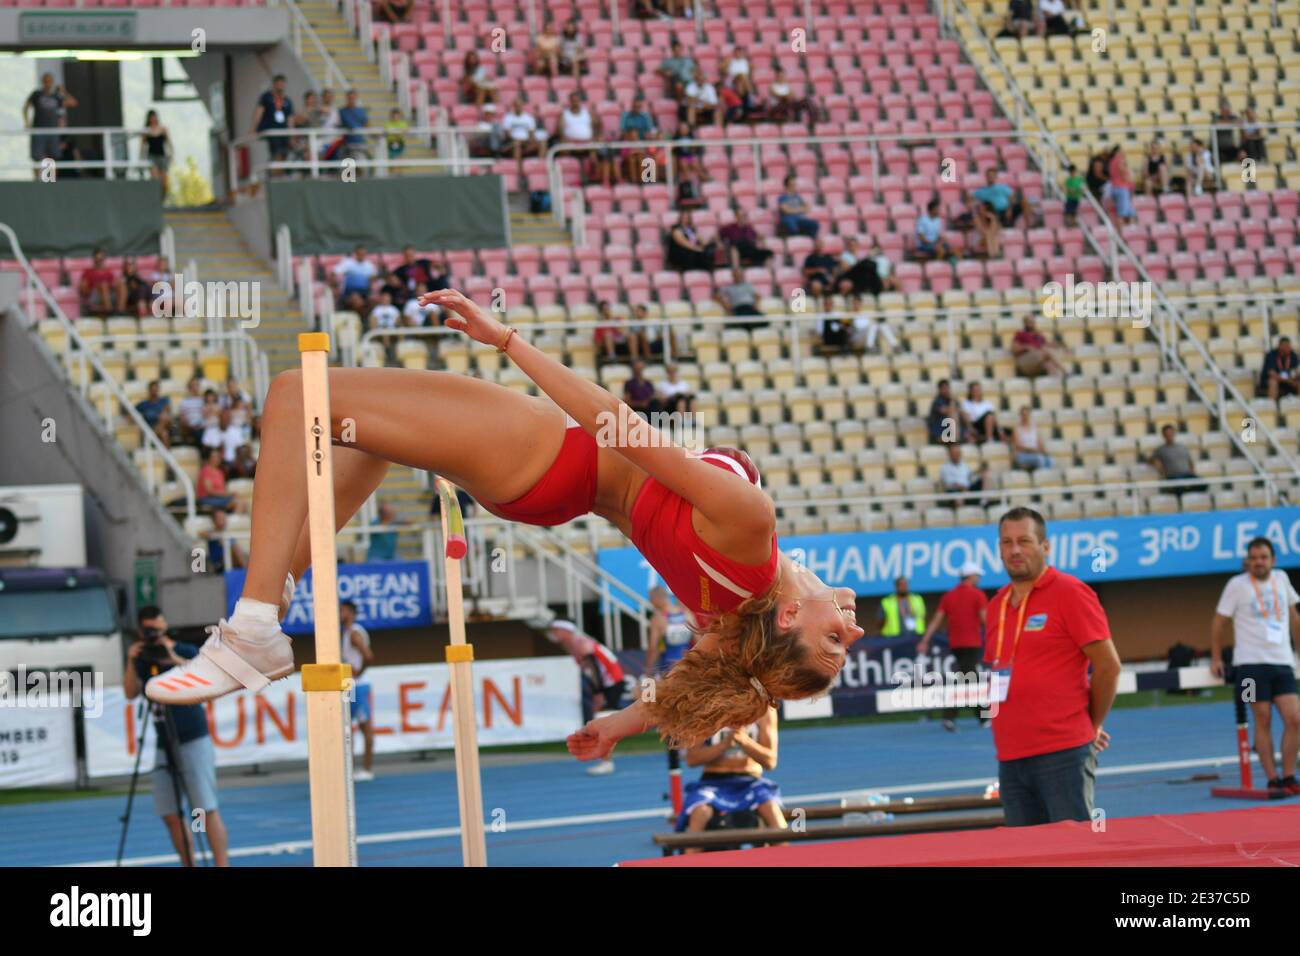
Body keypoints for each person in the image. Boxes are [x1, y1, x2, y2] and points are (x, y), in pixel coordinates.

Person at [146, 288, 867, 769]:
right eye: (847, 643)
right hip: (546, 482)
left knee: (294, 394)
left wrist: (508, 340)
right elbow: (685, 689)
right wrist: (611, 730)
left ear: (793, 616)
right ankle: (271, 603)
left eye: (832, 640)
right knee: (363, 436)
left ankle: (254, 628)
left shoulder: (750, 532)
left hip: (552, 453)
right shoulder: (732, 623)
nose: (854, 630)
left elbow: (617, 423)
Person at [985, 507, 1121, 827]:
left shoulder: (1071, 593)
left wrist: (1090, 724)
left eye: (1024, 541)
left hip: (1063, 754)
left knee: (1072, 853)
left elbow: (1109, 668)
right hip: (1011, 756)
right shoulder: (996, 606)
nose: (1015, 550)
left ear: (1045, 547)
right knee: (1027, 855)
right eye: (1006, 542)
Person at [124, 605, 230, 866]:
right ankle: (189, 863)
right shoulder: (143, 657)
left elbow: (205, 675)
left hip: (193, 737)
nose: (155, 636)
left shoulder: (184, 650)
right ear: (141, 630)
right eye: (150, 630)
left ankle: (221, 865)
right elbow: (130, 693)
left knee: (205, 808)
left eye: (159, 630)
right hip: (165, 743)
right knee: (169, 812)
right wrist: (131, 659)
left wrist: (173, 658)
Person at [1211, 537, 1300, 795]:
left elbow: (1294, 616)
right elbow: (1218, 622)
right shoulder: (1236, 585)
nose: (1259, 562)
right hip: (1249, 667)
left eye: (1263, 557)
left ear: (1272, 560)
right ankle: (1272, 779)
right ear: (1248, 561)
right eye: (1254, 558)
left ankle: (1289, 775)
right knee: (1262, 718)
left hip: (1282, 663)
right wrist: (1217, 658)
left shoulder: (1282, 579)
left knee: (1295, 719)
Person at [676, 707, 784, 849]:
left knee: (772, 810)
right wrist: (724, 745)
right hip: (713, 781)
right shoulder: (705, 706)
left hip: (749, 780)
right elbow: (692, 758)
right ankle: (689, 860)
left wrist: (745, 741)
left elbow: (770, 761)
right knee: (699, 813)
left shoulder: (764, 709)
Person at [917, 563, 989, 731]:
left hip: (956, 645)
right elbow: (985, 620)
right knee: (968, 679)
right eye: (977, 575)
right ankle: (954, 716)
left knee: (969, 678)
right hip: (972, 643)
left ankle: (983, 717)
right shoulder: (978, 594)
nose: (979, 579)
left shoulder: (949, 596)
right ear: (971, 576)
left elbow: (936, 619)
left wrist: (925, 640)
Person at [549, 619, 626, 775]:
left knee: (602, 722)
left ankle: (606, 762)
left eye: (556, 629)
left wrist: (598, 693)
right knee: (602, 722)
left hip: (611, 683)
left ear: (566, 630)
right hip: (607, 684)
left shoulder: (580, 643)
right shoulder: (574, 645)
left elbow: (594, 668)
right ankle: (605, 760)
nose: (553, 633)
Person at [339, 600, 377, 781]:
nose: (339, 613)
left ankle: (367, 769)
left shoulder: (354, 633)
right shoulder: (346, 633)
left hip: (357, 684)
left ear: (351, 613)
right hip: (349, 683)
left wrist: (358, 672)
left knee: (364, 725)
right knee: (348, 725)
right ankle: (351, 768)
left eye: (343, 610)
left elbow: (369, 656)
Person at [24, 72, 77, 175]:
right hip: (39, 130)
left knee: (52, 157)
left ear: (52, 83)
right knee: (37, 156)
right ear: (42, 82)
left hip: (53, 131)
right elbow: (26, 107)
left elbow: (72, 103)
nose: (47, 84)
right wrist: (27, 122)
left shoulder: (56, 96)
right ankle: (37, 181)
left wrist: (64, 91)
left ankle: (50, 180)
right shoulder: (37, 94)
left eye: (49, 81)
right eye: (45, 81)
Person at [645, 585, 696, 676]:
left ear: (656, 599)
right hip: (687, 664)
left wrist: (648, 671)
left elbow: (653, 648)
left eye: (651, 600)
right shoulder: (686, 614)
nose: (651, 603)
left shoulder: (658, 618)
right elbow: (699, 639)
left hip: (668, 667)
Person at [251, 74, 294, 172]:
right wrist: (253, 128)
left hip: (283, 132)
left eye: (282, 84)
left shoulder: (287, 100)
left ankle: (281, 173)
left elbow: (290, 118)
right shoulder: (266, 97)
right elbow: (259, 112)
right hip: (272, 131)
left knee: (284, 154)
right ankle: (275, 173)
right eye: (278, 84)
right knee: (276, 153)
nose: (280, 86)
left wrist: (292, 135)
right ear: (274, 84)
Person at [1147, 423, 1206, 495]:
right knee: (1179, 487)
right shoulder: (1161, 450)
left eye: (1171, 433)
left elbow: (1190, 461)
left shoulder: (1182, 447)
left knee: (1203, 484)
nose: (1169, 435)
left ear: (1174, 433)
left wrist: (1192, 471)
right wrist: (1159, 466)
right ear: (1164, 435)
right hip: (1173, 476)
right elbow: (1150, 460)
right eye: (1167, 434)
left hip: (1187, 474)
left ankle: (1187, 494)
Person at [500, 97, 547, 173]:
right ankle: (518, 171)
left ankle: (540, 167)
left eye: (519, 105)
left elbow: (531, 134)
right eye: (516, 105)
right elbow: (508, 135)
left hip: (526, 142)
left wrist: (529, 141)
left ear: (522, 106)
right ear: (514, 106)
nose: (518, 107)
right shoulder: (508, 118)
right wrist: (518, 140)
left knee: (543, 142)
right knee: (517, 144)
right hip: (513, 142)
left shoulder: (529, 118)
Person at [79, 247, 120, 318]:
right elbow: (82, 290)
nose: (99, 261)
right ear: (94, 259)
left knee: (121, 284)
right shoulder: (88, 272)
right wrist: (96, 287)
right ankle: (109, 311)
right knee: (103, 285)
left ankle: (121, 311)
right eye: (97, 259)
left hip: (109, 295)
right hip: (94, 296)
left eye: (101, 259)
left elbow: (114, 286)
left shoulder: (109, 272)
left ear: (104, 259)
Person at [140, 110, 172, 200]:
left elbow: (169, 143)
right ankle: (156, 198)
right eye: (151, 117)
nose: (153, 119)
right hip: (152, 156)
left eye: (154, 117)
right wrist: (141, 159)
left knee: (164, 181)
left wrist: (170, 155)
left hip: (162, 156)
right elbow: (142, 146)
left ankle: (163, 198)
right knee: (155, 177)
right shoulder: (146, 131)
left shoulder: (163, 129)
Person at [1011, 407, 1051, 471]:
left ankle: (1046, 477)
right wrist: (1033, 450)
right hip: (1022, 455)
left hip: (1034, 453)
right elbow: (1018, 446)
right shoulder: (1017, 429)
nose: (1025, 416)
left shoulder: (1034, 428)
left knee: (1050, 460)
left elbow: (1040, 443)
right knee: (1039, 459)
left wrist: (1042, 450)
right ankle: (1040, 477)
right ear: (1020, 415)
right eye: (1023, 415)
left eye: (1026, 414)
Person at [1260, 336, 1299, 401]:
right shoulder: (1271, 355)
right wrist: (1288, 380)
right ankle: (1272, 406)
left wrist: (1294, 377)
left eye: (1288, 346)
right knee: (1273, 382)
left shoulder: (1293, 355)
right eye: (1285, 346)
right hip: (1273, 380)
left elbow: (1296, 371)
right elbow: (1272, 373)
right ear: (1280, 346)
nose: (1288, 348)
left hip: (1289, 381)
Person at [136, 380, 174, 447]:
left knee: (165, 417)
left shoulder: (164, 400)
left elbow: (167, 410)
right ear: (149, 390)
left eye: (156, 389)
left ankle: (153, 435)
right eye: (153, 389)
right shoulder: (143, 404)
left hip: (165, 426)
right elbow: (130, 412)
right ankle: (167, 455)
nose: (155, 391)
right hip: (151, 428)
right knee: (164, 434)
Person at [197, 448, 236, 512]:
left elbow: (222, 489)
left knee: (238, 501)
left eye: (218, 456)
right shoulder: (206, 470)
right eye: (215, 456)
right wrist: (228, 494)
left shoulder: (220, 472)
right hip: (206, 498)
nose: (218, 458)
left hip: (218, 498)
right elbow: (209, 491)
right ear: (209, 458)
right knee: (237, 502)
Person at [338, 90, 371, 164]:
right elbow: (350, 125)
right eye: (350, 98)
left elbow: (366, 124)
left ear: (356, 98)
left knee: (362, 166)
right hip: (348, 144)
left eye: (353, 98)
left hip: (360, 142)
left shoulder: (361, 111)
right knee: (350, 171)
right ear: (346, 98)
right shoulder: (342, 111)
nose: (351, 100)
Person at [1106, 145, 1136, 224]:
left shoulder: (1111, 162)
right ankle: (1122, 235)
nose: (1123, 153)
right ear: (1118, 152)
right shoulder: (1119, 160)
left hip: (1118, 188)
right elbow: (1124, 175)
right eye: (1121, 151)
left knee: (1129, 214)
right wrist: (1131, 181)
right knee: (1122, 215)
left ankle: (1127, 233)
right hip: (1122, 188)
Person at [1214, 99, 1241, 165]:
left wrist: (1228, 123)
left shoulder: (1232, 117)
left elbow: (1240, 122)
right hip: (1219, 146)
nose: (1227, 112)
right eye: (1225, 110)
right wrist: (1231, 123)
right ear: (1221, 110)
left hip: (1230, 146)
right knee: (1219, 158)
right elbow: (1217, 124)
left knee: (1242, 154)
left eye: (1228, 110)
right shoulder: (1216, 117)